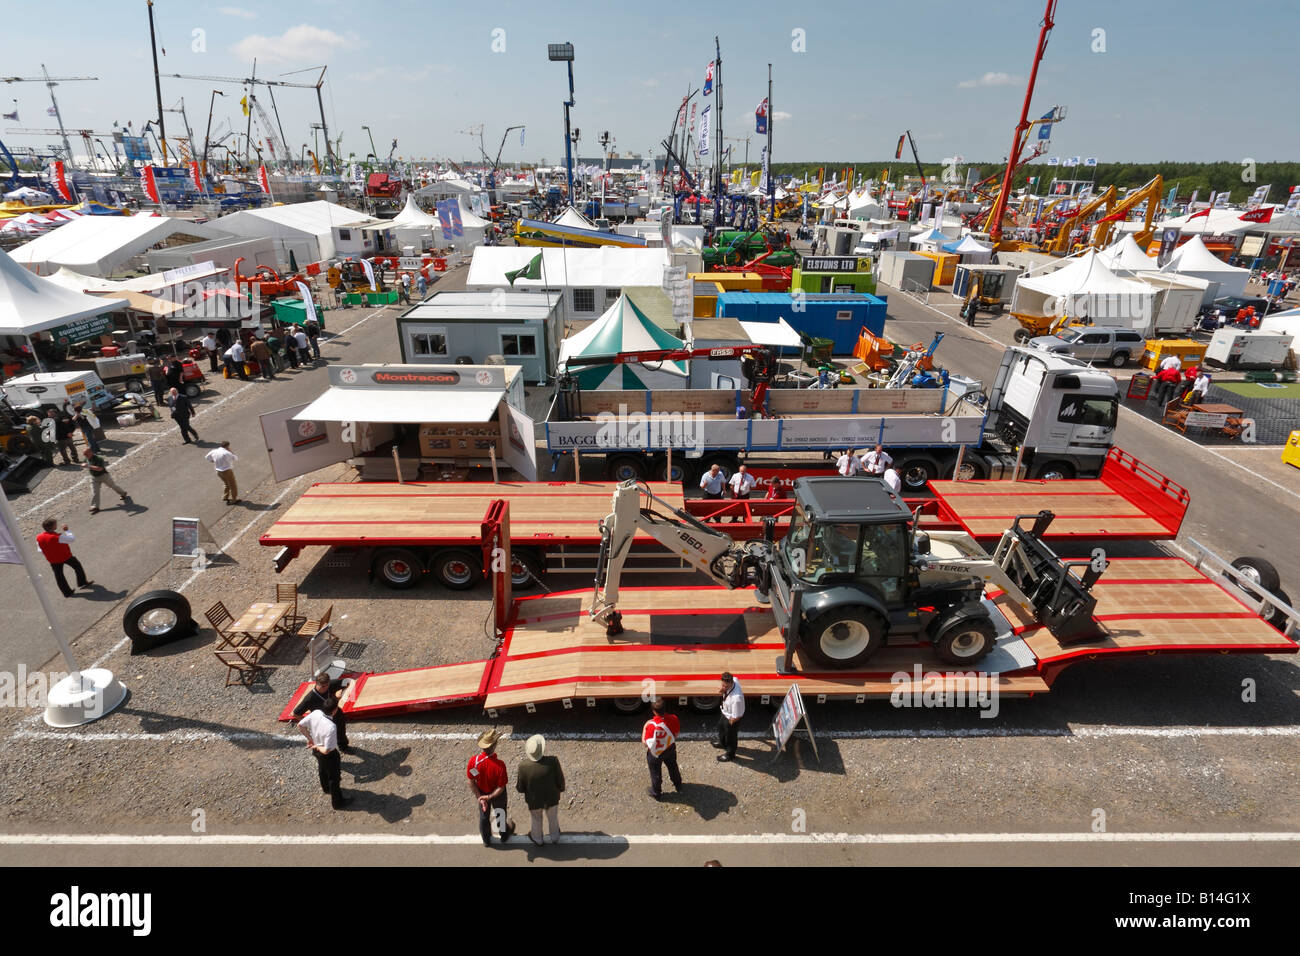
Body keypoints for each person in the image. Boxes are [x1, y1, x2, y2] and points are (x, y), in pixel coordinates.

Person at [297, 697, 352, 810]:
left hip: (316, 750)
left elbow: (300, 726)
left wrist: (310, 739)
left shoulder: (316, 713)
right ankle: (338, 802)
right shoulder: (331, 727)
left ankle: (326, 788)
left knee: (322, 769)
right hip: (328, 754)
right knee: (334, 777)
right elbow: (327, 750)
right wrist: (317, 746)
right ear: (334, 710)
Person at [467, 728, 516, 846]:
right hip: (496, 795)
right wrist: (489, 797)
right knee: (500, 813)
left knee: (484, 817)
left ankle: (486, 840)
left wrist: (481, 797)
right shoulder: (500, 766)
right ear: (494, 746)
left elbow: (471, 782)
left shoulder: (474, 762)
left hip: (481, 792)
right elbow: (501, 787)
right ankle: (503, 836)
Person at [516, 734, 564, 846]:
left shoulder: (523, 766)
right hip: (552, 797)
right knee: (553, 818)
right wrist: (561, 788)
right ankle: (555, 837)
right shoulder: (553, 761)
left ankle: (538, 839)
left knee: (536, 819)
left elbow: (520, 787)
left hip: (534, 800)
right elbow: (560, 779)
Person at [292, 673, 352, 753]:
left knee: (341, 732)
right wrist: (311, 723)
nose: (325, 688)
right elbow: (296, 713)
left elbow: (348, 681)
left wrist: (343, 694)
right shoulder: (310, 698)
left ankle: (344, 747)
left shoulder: (331, 685)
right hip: (324, 722)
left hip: (337, 715)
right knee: (325, 744)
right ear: (316, 683)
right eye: (322, 686)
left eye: (327, 685)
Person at [36, 518, 92, 597]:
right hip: (65, 556)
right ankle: (82, 582)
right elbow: (72, 539)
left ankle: (67, 592)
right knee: (77, 566)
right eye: (55, 524)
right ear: (53, 527)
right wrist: (67, 530)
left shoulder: (39, 537)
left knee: (59, 576)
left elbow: (40, 550)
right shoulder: (57, 537)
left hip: (53, 560)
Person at [643, 698, 683, 801]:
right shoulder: (674, 718)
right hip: (669, 748)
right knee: (673, 766)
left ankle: (656, 793)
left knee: (655, 773)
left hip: (656, 753)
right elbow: (676, 734)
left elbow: (645, 742)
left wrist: (644, 727)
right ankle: (678, 784)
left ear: (653, 711)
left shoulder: (651, 726)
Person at [715, 672, 744, 762]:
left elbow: (737, 716)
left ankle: (730, 754)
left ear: (731, 683)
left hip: (732, 717)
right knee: (720, 727)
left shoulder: (736, 698)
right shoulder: (734, 680)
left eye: (726, 686)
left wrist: (731, 723)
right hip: (725, 712)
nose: (724, 688)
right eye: (723, 685)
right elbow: (735, 677)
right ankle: (722, 743)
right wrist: (723, 689)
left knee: (731, 736)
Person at [205, 440, 239, 504]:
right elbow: (235, 458)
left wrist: (214, 461)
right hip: (227, 471)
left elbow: (207, 457)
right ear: (227, 446)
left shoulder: (214, 451)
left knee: (226, 483)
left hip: (218, 471)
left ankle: (225, 497)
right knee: (233, 485)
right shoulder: (226, 453)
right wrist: (231, 451)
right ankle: (234, 499)